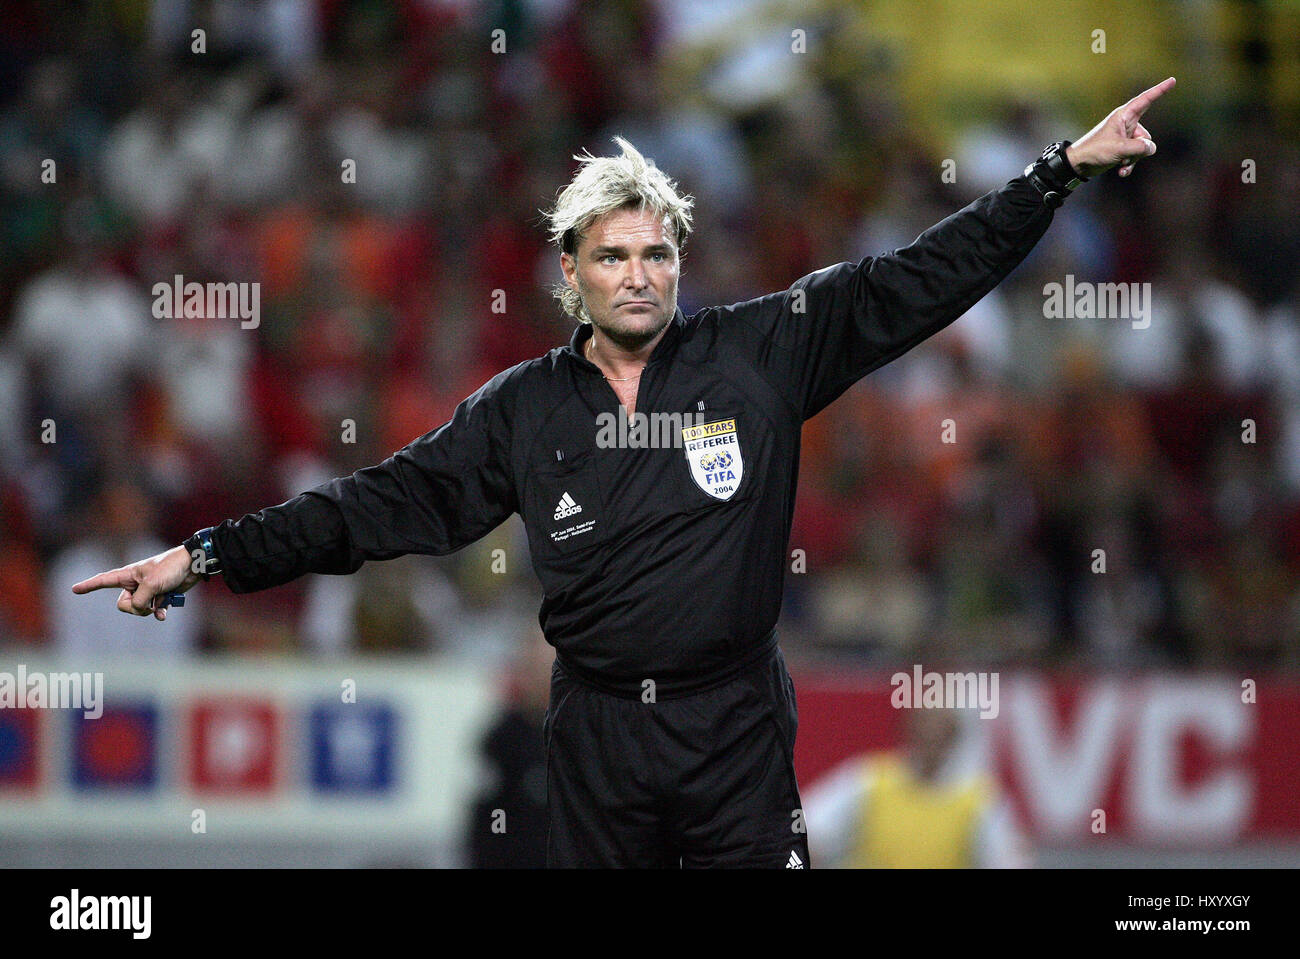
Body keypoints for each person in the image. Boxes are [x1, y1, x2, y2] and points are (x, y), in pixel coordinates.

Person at [72, 78, 1176, 867]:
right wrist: (209, 551)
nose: (638, 275)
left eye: (657, 253)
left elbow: (920, 278)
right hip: (596, 737)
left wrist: (1054, 174)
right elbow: (374, 506)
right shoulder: (519, 409)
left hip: (736, 725)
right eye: (613, 255)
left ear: (680, 261)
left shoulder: (763, 348)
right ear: (570, 273)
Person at [803, 708, 1032, 868]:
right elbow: (808, 830)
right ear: (907, 732)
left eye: (938, 735)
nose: (929, 741)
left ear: (953, 739)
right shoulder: (869, 778)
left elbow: (1008, 859)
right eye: (922, 732)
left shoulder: (980, 799)